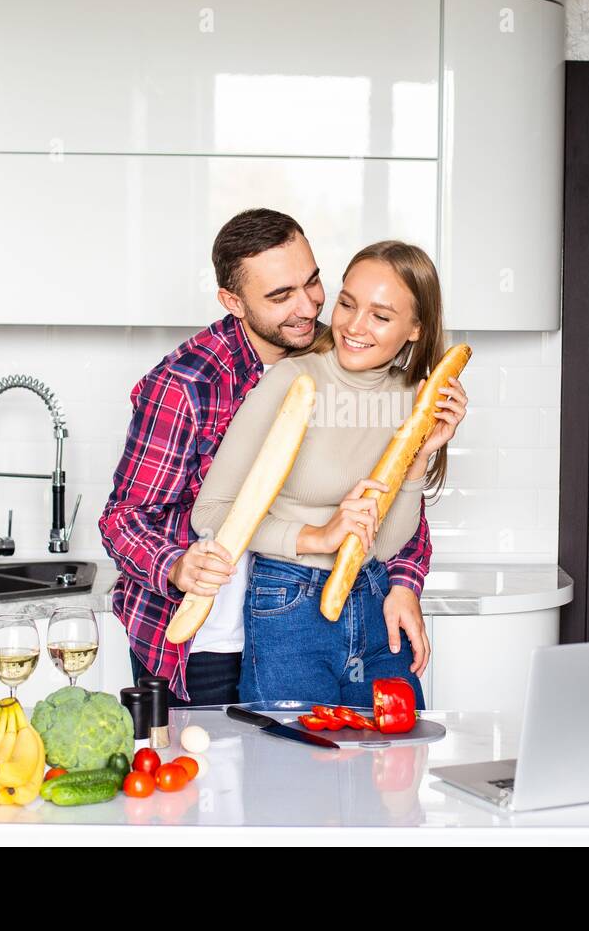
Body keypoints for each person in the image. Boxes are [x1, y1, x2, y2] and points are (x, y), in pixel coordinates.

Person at [99, 210, 444, 705]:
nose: (309, 308)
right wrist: (176, 566)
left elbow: (383, 488)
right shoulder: (186, 386)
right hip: (209, 646)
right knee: (235, 778)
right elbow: (122, 519)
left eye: (313, 282)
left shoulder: (348, 347)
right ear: (232, 301)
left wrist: (405, 584)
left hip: (324, 621)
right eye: (281, 296)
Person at [190, 241, 468, 708]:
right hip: (288, 606)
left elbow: (384, 544)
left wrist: (421, 456)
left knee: (391, 769)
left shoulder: (412, 402)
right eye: (347, 304)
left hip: (376, 604)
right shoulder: (293, 381)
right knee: (295, 771)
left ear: (415, 328)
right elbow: (212, 513)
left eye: (380, 316)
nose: (354, 327)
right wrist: (318, 536)